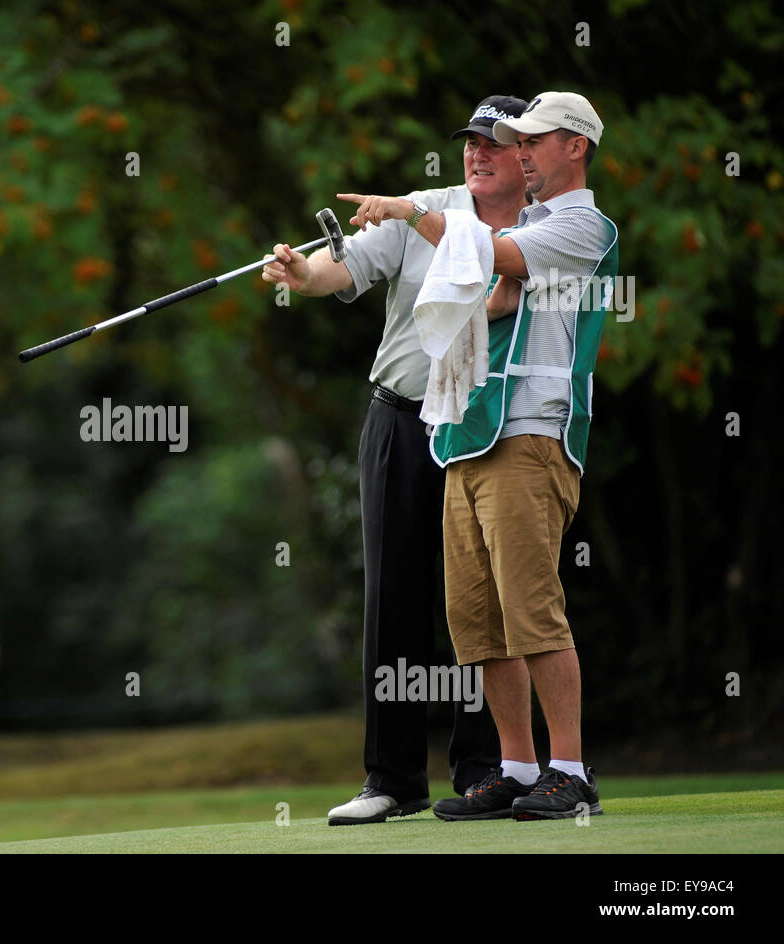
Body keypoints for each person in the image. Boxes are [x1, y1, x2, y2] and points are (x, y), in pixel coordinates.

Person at [339, 91, 617, 820]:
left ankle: (570, 770)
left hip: (531, 434)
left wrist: (406, 211)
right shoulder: (522, 216)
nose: (519, 151)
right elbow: (486, 289)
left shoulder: (582, 224)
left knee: (532, 613)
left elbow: (498, 258)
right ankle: (518, 770)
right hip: (468, 435)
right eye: (514, 140)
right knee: (478, 620)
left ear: (575, 147)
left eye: (534, 139)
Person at [263, 95, 529, 825]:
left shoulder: (547, 226)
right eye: (471, 142)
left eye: (495, 144)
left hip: (484, 429)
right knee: (394, 599)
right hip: (400, 418)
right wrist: (301, 273)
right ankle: (392, 777)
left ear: (527, 156)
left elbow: (510, 297)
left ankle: (487, 770)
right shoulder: (420, 205)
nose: (477, 153)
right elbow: (340, 272)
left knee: (483, 603)